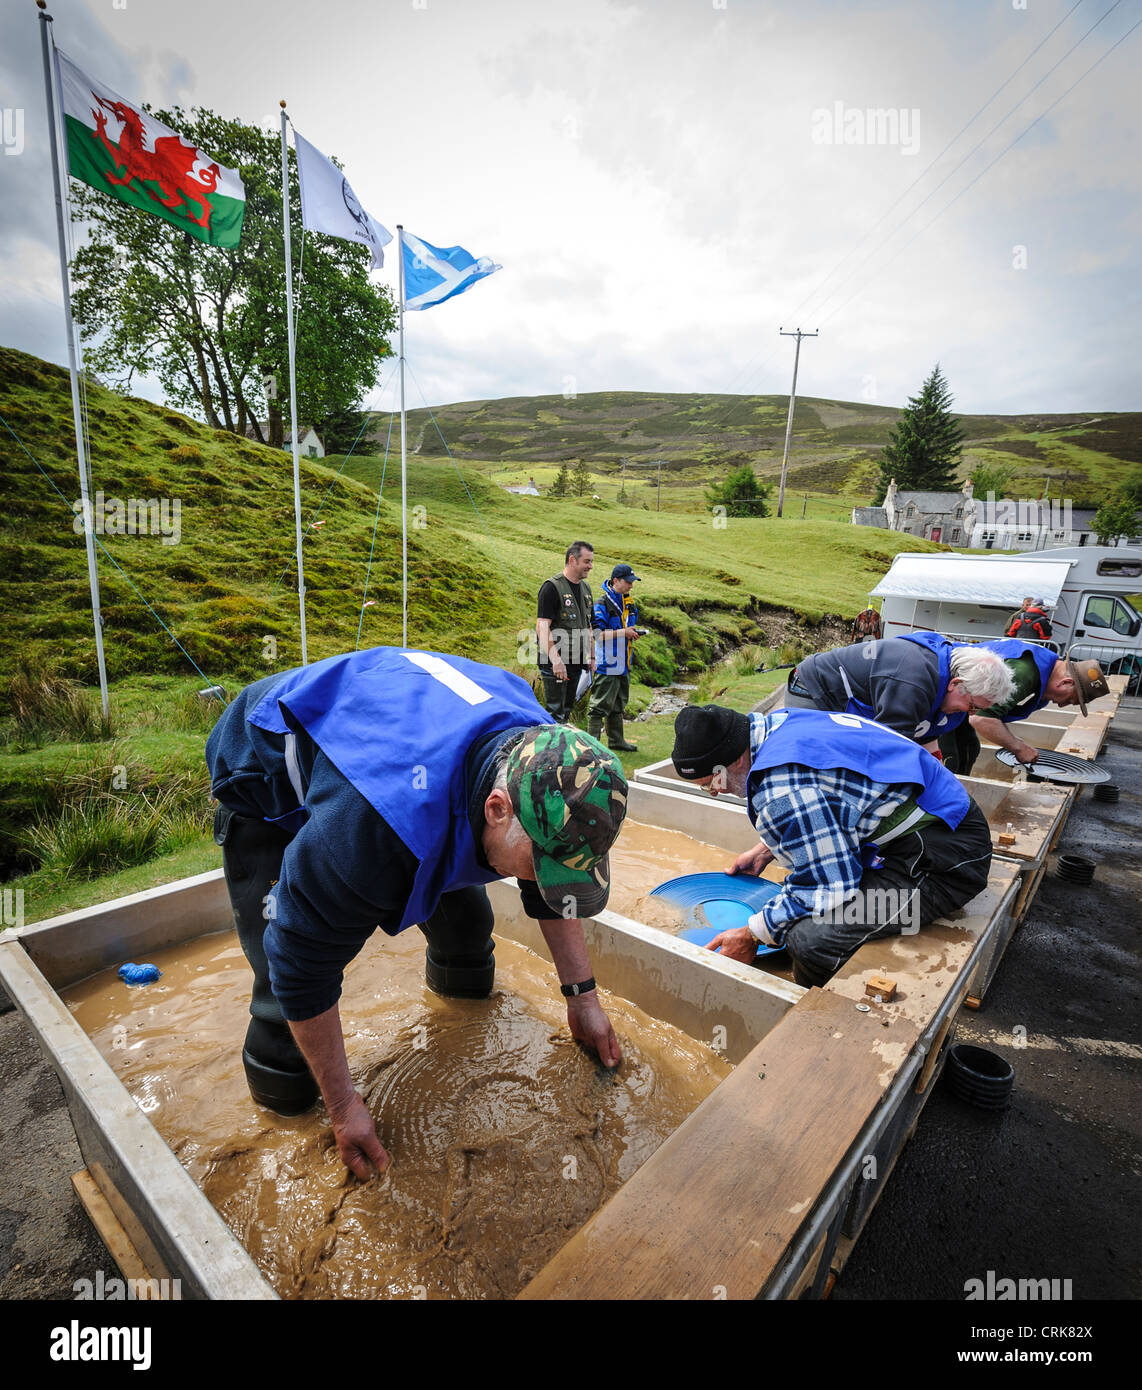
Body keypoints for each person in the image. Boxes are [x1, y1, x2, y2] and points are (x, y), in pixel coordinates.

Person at [205, 646, 628, 1180]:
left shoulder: (556, 759)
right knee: (281, 1009)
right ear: (495, 809)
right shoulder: (368, 830)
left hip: (422, 739)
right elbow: (299, 963)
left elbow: (548, 886)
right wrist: (342, 1108)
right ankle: (284, 1108)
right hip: (263, 771)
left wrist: (582, 997)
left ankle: (457, 1007)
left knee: (468, 931)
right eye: (541, 865)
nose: (546, 881)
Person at [670, 704, 992, 987]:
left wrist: (752, 934)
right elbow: (829, 797)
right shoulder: (777, 725)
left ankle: (830, 1017)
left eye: (710, 782)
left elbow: (829, 885)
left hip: (946, 861)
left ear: (737, 760)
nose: (713, 791)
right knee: (792, 899)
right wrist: (765, 849)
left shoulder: (781, 794)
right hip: (943, 812)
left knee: (808, 939)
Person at [785, 633, 1015, 745]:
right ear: (956, 684)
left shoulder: (946, 684)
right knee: (815, 758)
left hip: (851, 700)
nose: (971, 714)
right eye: (972, 707)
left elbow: (926, 738)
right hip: (815, 690)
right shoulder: (913, 681)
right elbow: (890, 746)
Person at [937, 645, 1109, 774]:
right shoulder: (1023, 673)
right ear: (1066, 682)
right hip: (946, 700)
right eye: (1070, 699)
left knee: (969, 748)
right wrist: (1018, 747)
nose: (1062, 705)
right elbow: (982, 718)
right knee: (950, 757)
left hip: (961, 703)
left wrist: (1014, 740)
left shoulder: (1043, 666)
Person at [536, 541, 595, 723]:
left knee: (567, 710)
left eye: (591, 562)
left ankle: (561, 749)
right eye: (586, 561)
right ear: (572, 560)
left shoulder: (586, 589)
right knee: (555, 713)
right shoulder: (551, 588)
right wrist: (556, 661)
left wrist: (592, 657)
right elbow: (542, 626)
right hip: (555, 662)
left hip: (577, 661)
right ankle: (547, 750)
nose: (590, 566)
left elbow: (589, 625)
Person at [588, 562, 642, 752]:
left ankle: (616, 742)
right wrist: (623, 632)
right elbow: (597, 635)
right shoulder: (602, 604)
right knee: (598, 707)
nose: (631, 585)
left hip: (624, 662)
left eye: (632, 582)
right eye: (628, 582)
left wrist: (632, 632)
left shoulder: (629, 603)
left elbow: (627, 628)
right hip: (607, 663)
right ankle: (592, 746)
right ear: (615, 581)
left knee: (618, 705)